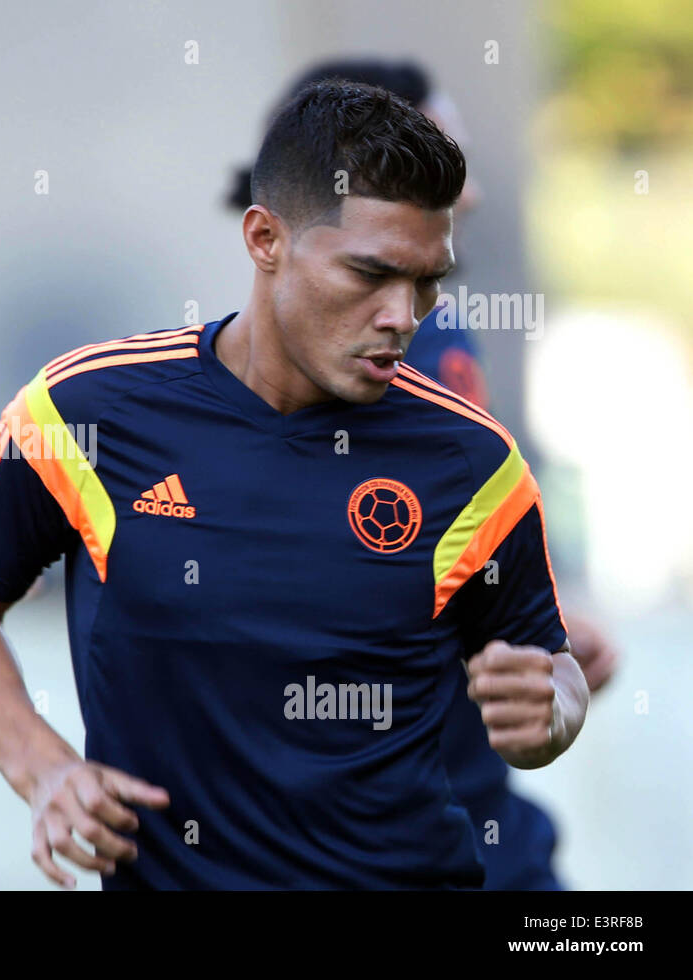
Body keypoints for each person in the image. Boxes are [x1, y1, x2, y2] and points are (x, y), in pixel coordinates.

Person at [0, 80, 589, 889]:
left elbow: (553, 669)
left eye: (426, 281)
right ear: (265, 238)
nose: (402, 315)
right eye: (370, 274)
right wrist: (43, 767)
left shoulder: (475, 461)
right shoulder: (85, 411)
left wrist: (550, 711)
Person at [227, 58, 619, 889]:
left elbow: (472, 542)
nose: (468, 190)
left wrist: (540, 639)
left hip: (485, 815)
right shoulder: (252, 380)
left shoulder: (436, 329)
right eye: (445, 151)